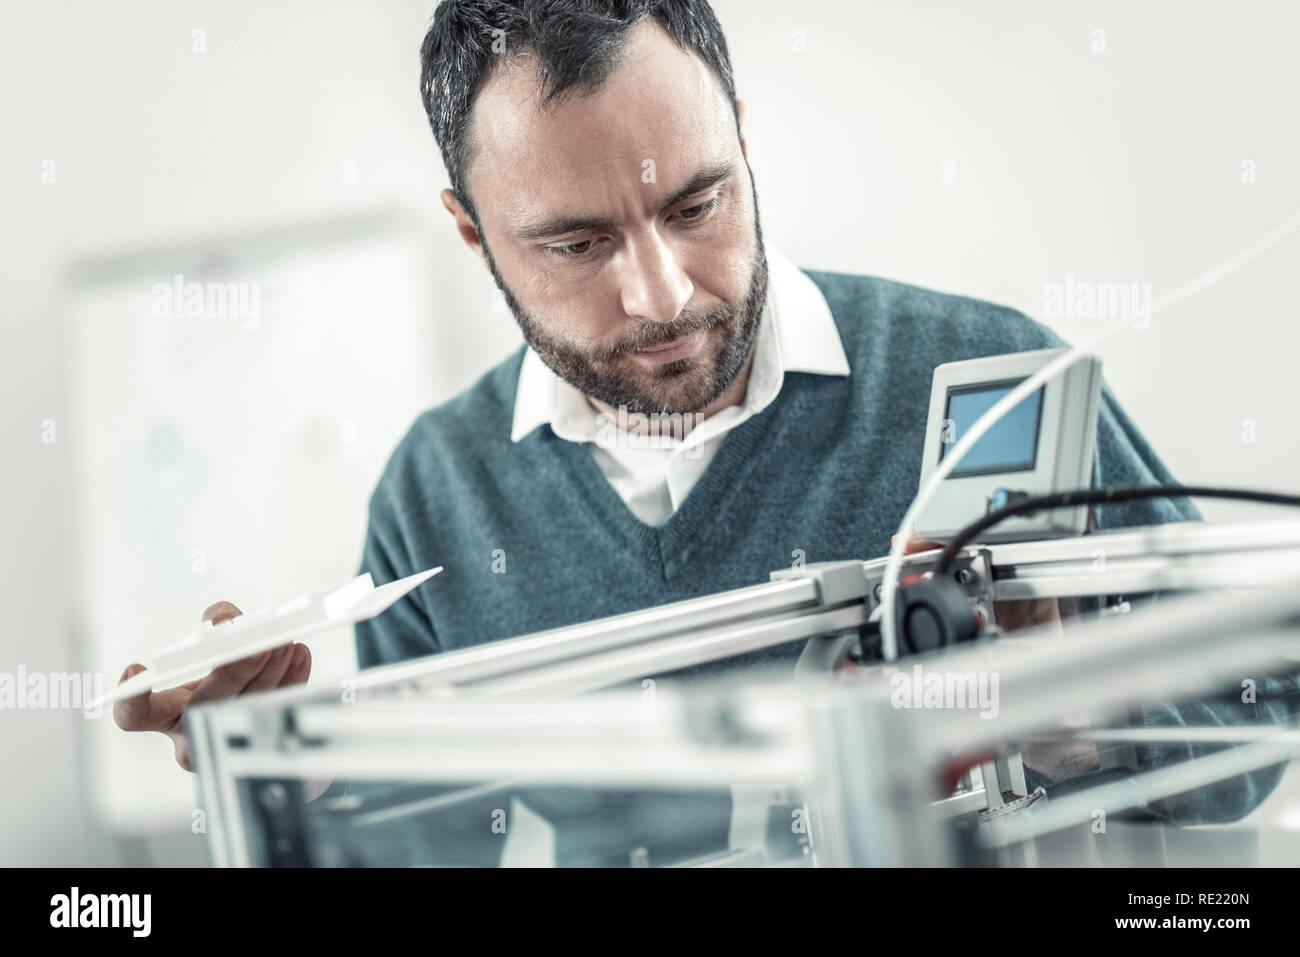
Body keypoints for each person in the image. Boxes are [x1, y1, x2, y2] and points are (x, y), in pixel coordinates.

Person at [115, 0, 1289, 864]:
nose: (663, 295)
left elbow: (1258, 727)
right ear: (472, 232)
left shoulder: (996, 379)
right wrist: (264, 774)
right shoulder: (439, 490)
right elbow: (431, 849)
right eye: (575, 244)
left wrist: (1079, 718)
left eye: (696, 203)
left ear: (741, 135)